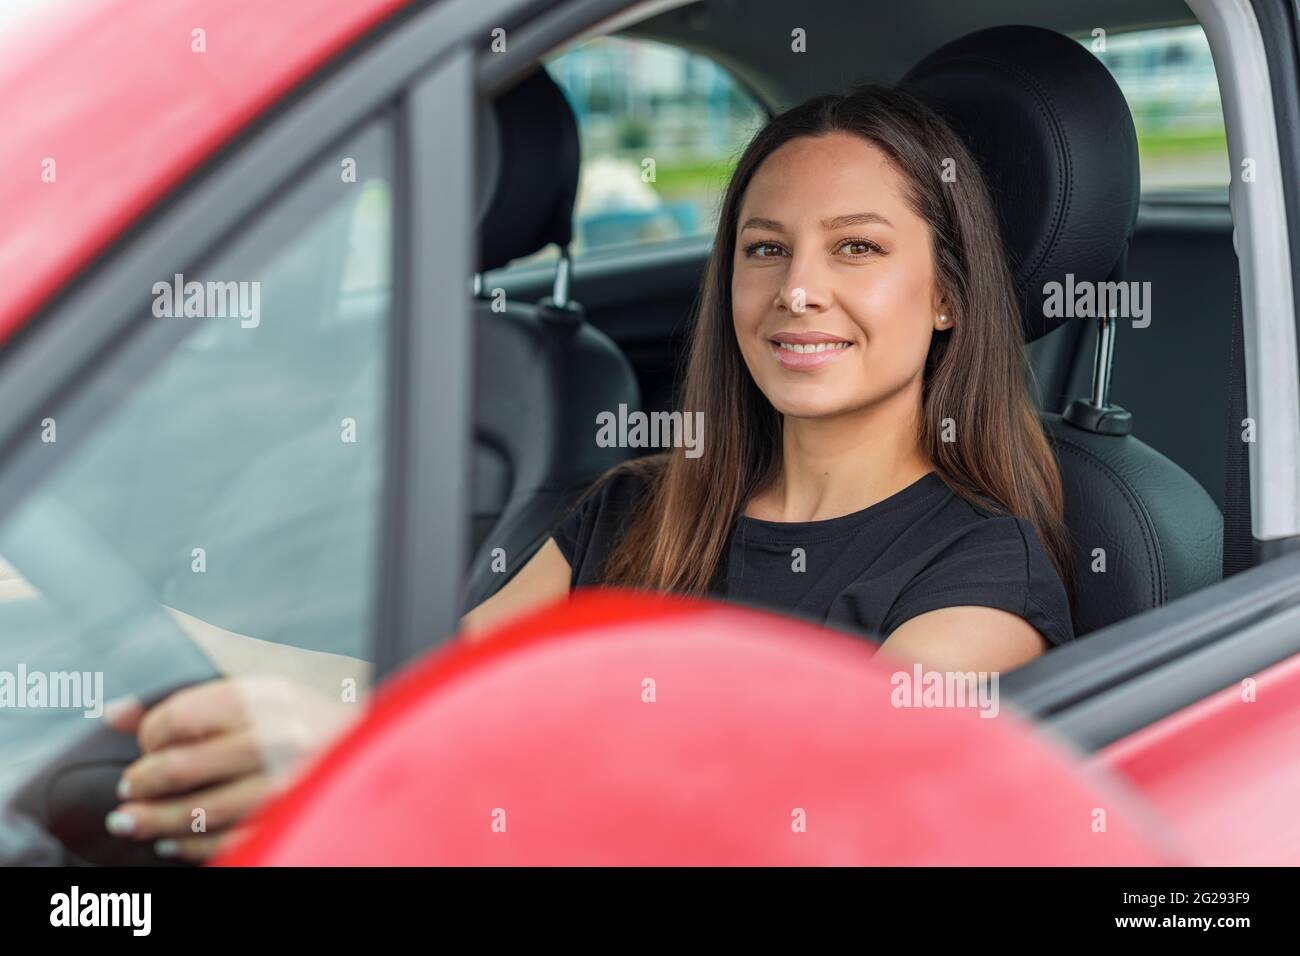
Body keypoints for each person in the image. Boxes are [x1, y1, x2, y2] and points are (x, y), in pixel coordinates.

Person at [105, 83, 1076, 861]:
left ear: (946, 296)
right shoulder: (639, 503)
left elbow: (793, 819)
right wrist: (131, 634)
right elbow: (427, 684)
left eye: (855, 247)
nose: (798, 290)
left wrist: (380, 765)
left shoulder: (983, 582)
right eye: (764, 249)